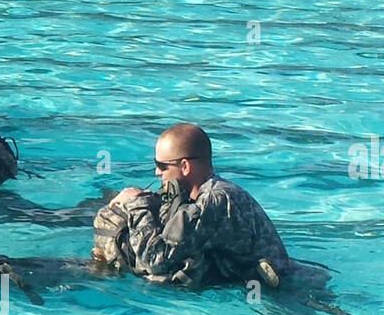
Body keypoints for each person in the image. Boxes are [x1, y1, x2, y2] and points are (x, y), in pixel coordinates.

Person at [94, 123, 290, 288]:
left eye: (162, 165)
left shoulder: (214, 200)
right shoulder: (200, 194)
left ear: (185, 166)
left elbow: (154, 260)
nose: (156, 172)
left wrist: (137, 203)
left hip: (278, 293)